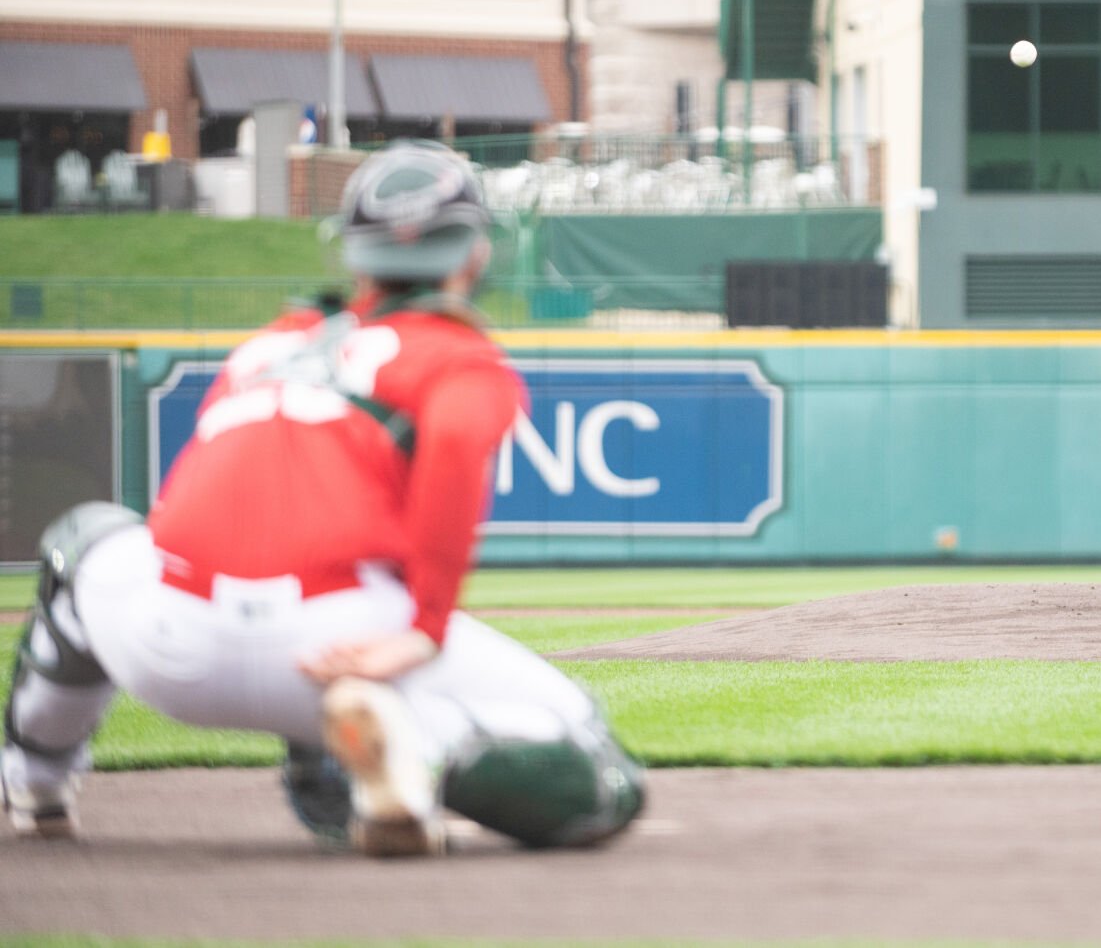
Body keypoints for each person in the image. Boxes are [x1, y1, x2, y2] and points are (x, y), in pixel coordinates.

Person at [1, 140, 642, 856]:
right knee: (601, 777)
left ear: (356, 255)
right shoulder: (459, 356)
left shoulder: (272, 343)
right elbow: (456, 451)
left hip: (166, 639)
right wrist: (425, 625)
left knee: (87, 537)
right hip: (334, 632)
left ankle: (36, 784)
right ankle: (416, 748)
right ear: (474, 252)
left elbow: (211, 489)